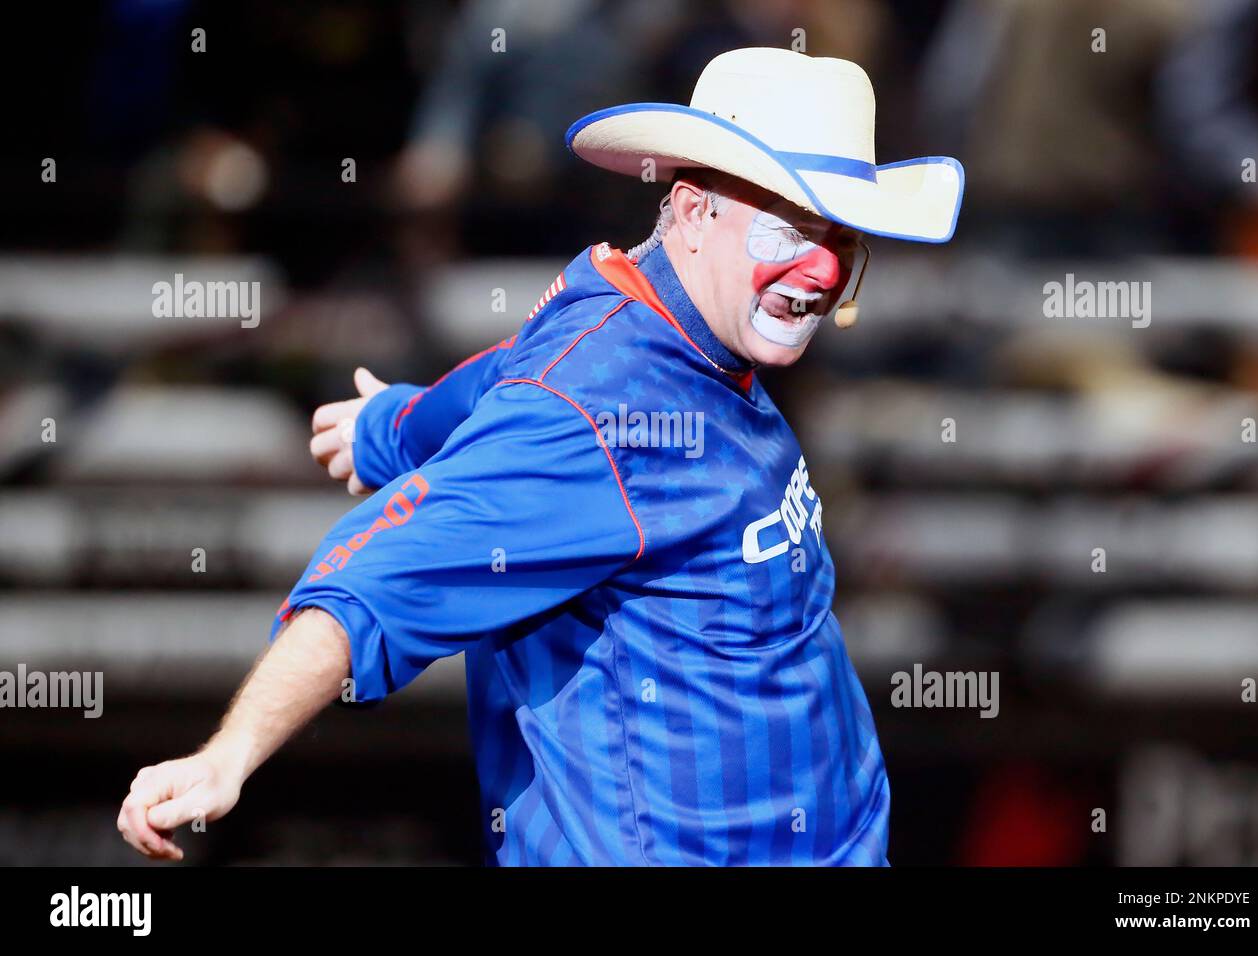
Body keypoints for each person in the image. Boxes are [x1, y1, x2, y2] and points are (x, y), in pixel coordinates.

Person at [118, 47, 963, 866]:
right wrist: (227, 755)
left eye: (841, 238)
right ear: (698, 210)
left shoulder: (643, 315)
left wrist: (391, 427)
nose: (821, 270)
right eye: (791, 230)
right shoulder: (602, 410)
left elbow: (503, 370)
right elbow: (374, 581)